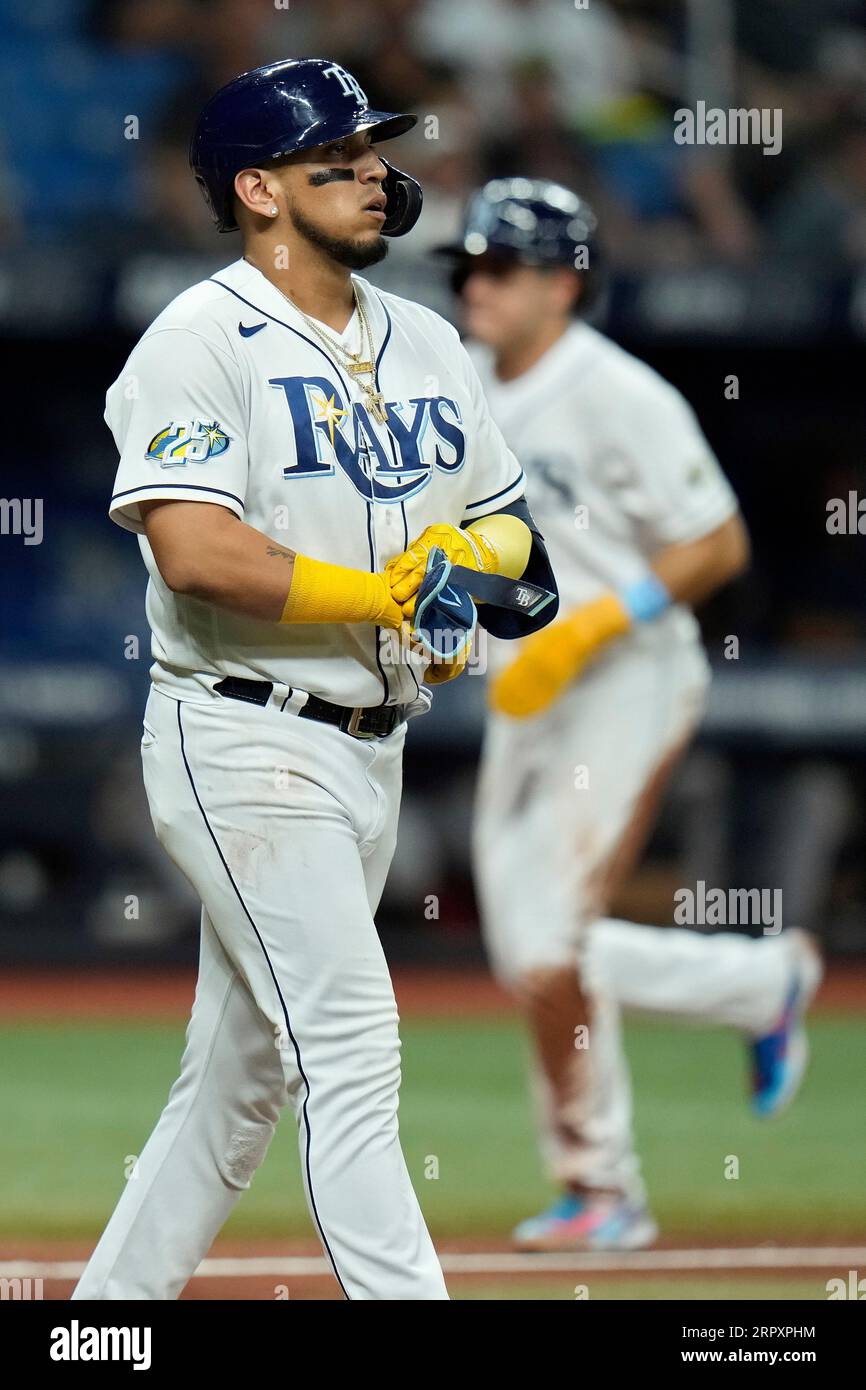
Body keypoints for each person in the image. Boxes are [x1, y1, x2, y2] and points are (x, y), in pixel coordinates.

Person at [72, 62, 558, 1301]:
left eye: (372, 154)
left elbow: (512, 536)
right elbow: (196, 547)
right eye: (334, 160)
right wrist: (380, 593)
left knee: (239, 1082)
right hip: (242, 733)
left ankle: (99, 1328)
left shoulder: (429, 340)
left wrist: (457, 561)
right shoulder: (197, 337)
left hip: (373, 745)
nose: (372, 175)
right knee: (350, 1042)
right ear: (259, 190)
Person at [437, 179, 822, 1251]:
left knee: (553, 938)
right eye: (468, 266)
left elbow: (715, 545)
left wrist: (583, 627)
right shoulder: (459, 385)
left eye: (500, 268)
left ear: (563, 283)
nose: (476, 285)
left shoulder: (618, 392)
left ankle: (602, 1186)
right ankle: (758, 980)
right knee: (527, 952)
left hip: (626, 676)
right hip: (532, 688)